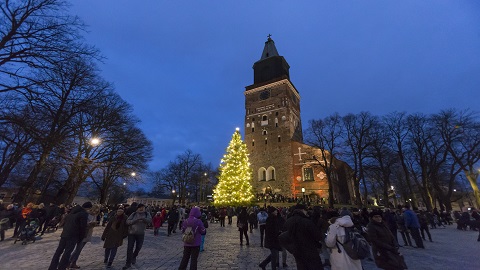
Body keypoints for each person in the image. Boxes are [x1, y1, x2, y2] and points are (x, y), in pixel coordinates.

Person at [48, 202, 91, 270]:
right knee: (67, 253)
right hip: (73, 235)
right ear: (88, 208)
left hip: (65, 233)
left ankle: (52, 267)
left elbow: (66, 222)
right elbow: (83, 227)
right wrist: (81, 237)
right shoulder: (83, 214)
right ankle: (61, 268)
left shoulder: (72, 212)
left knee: (58, 252)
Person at [283, 204, 323, 270]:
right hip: (310, 250)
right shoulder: (306, 221)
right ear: (302, 210)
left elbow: (284, 236)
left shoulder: (288, 221)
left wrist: (291, 248)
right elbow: (318, 236)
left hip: (297, 251)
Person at [69, 204, 99, 269]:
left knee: (79, 249)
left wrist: (94, 224)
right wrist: (89, 224)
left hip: (88, 233)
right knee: (78, 249)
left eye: (96, 211)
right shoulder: (86, 214)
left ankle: (71, 261)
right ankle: (70, 262)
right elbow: (83, 224)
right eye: (94, 210)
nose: (95, 212)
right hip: (83, 233)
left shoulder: (95, 215)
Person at [123, 203, 152, 270]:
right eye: (140, 207)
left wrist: (143, 219)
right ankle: (128, 263)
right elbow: (128, 222)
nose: (141, 209)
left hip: (141, 233)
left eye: (143, 207)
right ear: (138, 208)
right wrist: (135, 221)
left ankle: (134, 256)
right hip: (132, 233)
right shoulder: (134, 214)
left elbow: (149, 221)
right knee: (130, 248)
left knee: (139, 247)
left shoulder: (147, 214)